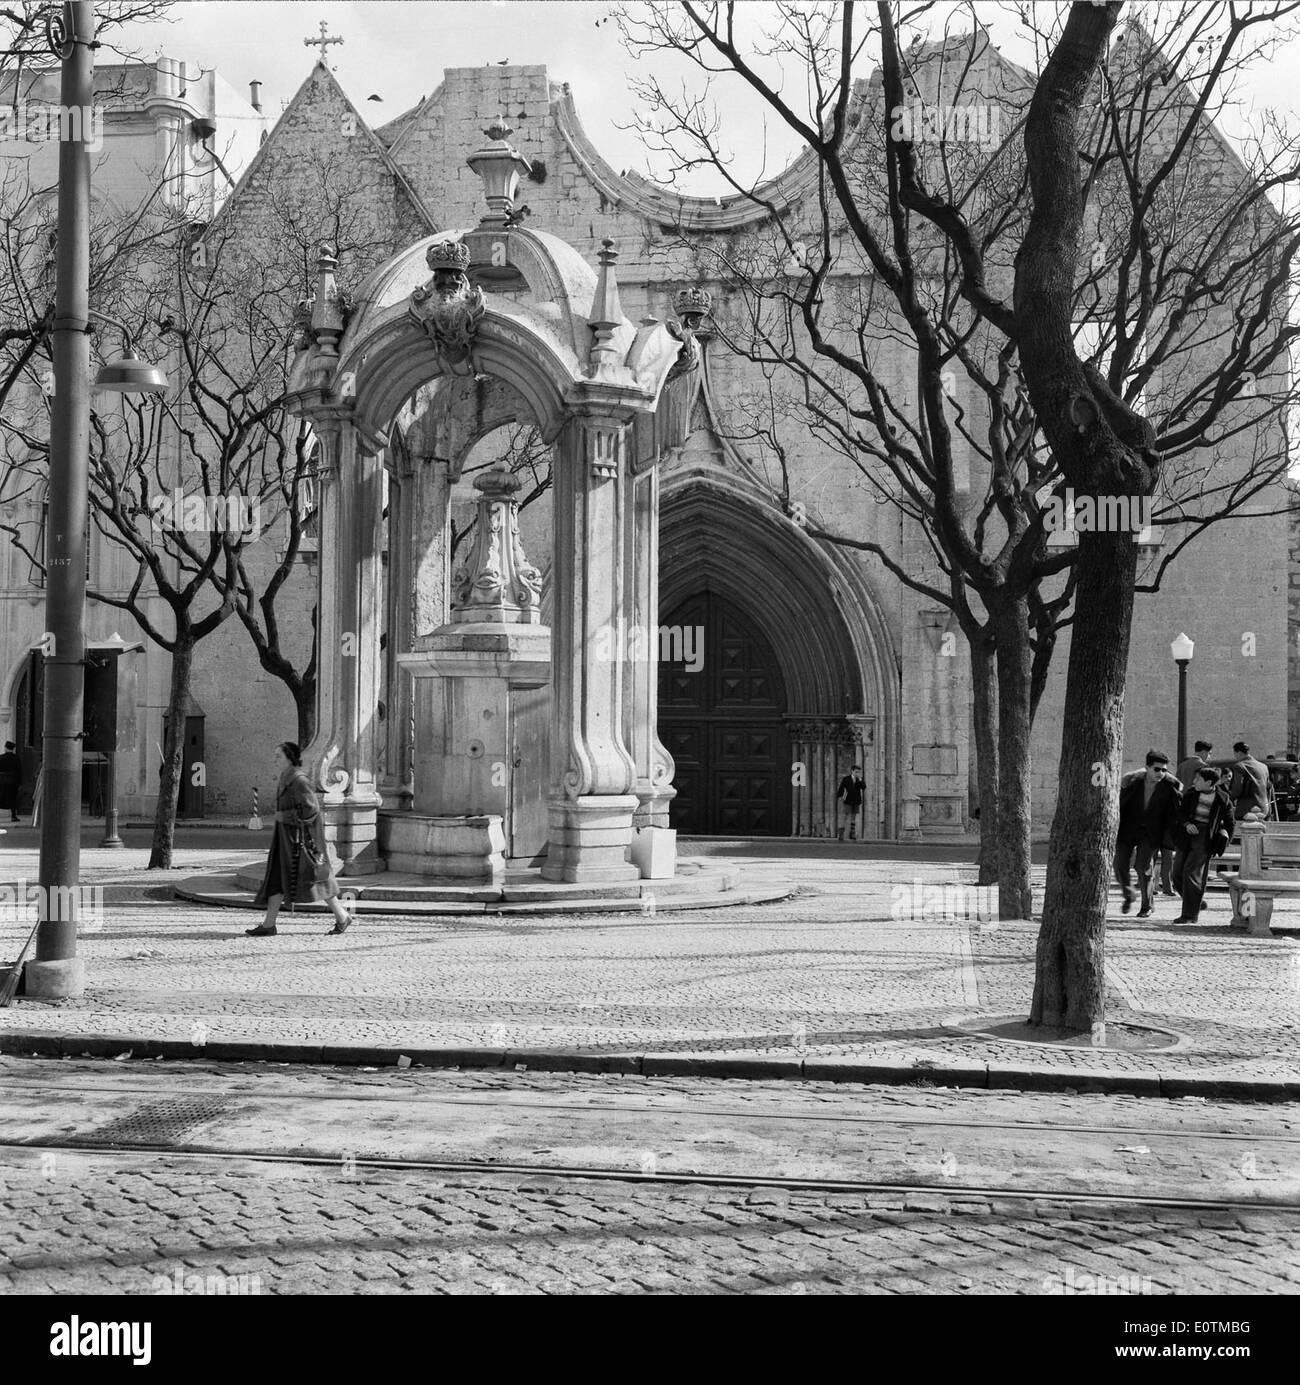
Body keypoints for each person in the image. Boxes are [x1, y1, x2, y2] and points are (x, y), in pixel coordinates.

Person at [248, 741, 352, 937]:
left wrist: (285, 818)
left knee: (316, 879)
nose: (274, 759)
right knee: (276, 880)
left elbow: (312, 811)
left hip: (299, 841)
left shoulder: (299, 780)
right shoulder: (285, 777)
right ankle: (269, 924)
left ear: (290, 757)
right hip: (285, 840)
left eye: (278, 755)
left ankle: (342, 916)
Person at [1114, 749, 1181, 918]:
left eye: (1164, 770)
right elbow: (1119, 801)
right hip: (1128, 829)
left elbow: (1176, 811)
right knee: (1119, 864)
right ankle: (1129, 894)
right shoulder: (1133, 783)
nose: (1161, 773)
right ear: (1147, 768)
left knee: (1143, 867)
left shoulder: (1169, 787)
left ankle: (1147, 905)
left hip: (1151, 833)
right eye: (1157, 769)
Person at [1171, 765, 1234, 924]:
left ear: (1209, 782)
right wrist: (1186, 824)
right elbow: (1180, 813)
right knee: (1177, 874)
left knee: (1190, 873)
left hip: (1205, 837)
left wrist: (1225, 838)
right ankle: (1195, 903)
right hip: (1186, 835)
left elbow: (1230, 822)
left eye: (1198, 779)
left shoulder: (1222, 798)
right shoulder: (1191, 794)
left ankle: (1189, 915)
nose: (1194, 781)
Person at [1228, 741, 1269, 820]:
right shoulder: (1264, 766)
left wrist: (1229, 799)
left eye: (1235, 754)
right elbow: (1267, 786)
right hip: (1264, 808)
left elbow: (1237, 788)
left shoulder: (1240, 766)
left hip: (1246, 809)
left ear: (1238, 753)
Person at [836, 765, 866, 841]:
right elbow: (841, 788)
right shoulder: (846, 779)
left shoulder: (859, 780)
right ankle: (841, 833)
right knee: (845, 816)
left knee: (853, 817)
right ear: (852, 771)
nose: (857, 773)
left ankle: (852, 833)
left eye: (858, 772)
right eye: (856, 772)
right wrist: (840, 797)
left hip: (856, 801)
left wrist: (860, 780)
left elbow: (864, 787)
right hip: (847, 800)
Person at [0, 741, 21, 823]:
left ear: (6, 748)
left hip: (1, 780)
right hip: (13, 780)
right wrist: (20, 782)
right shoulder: (16, 758)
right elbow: (19, 771)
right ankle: (13, 816)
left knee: (0, 797)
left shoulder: (1, 757)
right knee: (13, 798)